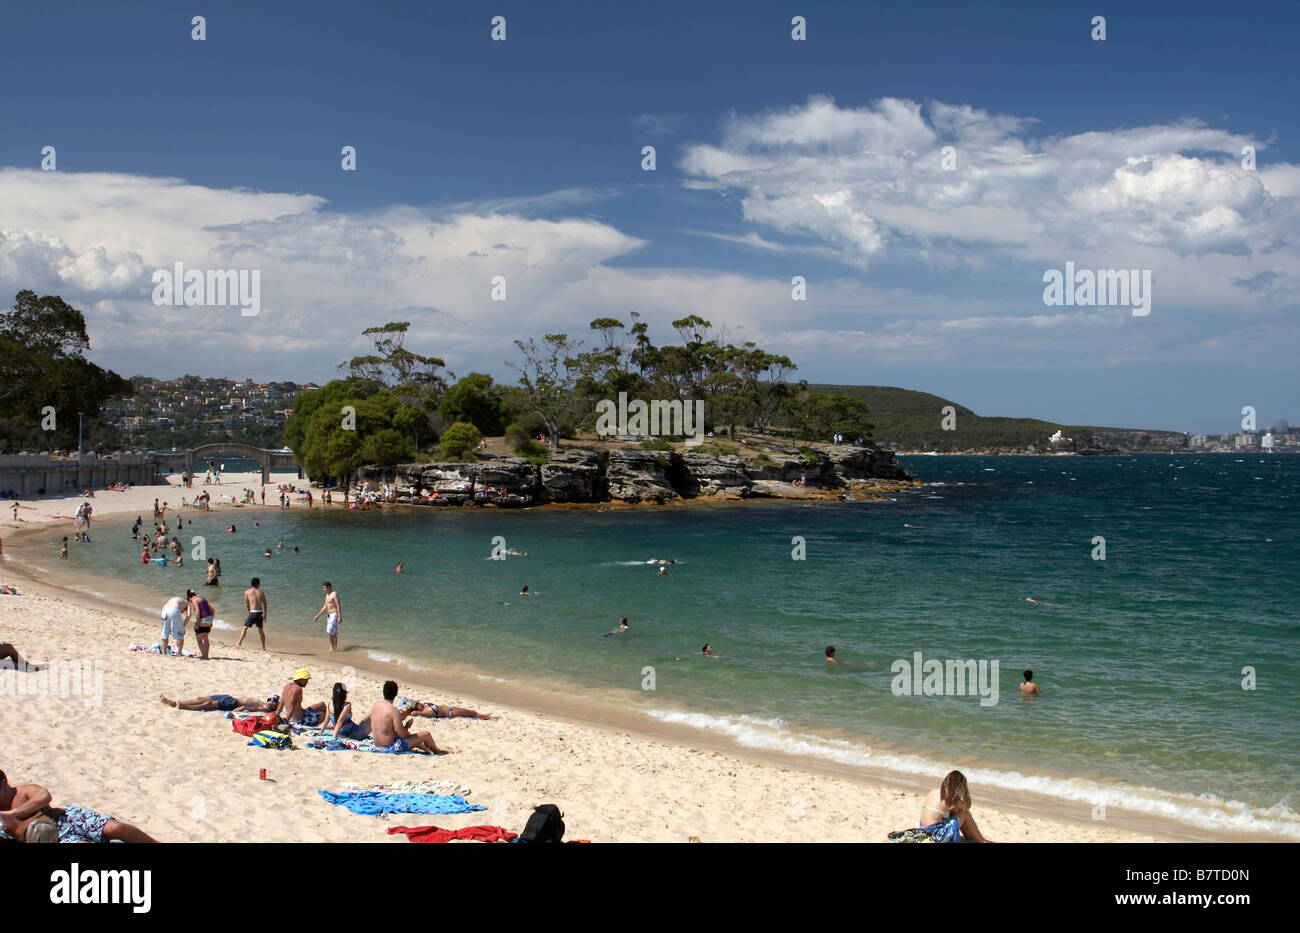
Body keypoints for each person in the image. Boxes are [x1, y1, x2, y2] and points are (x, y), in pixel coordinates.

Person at [0, 769, 157, 843]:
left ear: (4, 783)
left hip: (68, 817)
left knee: (116, 828)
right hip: (55, 838)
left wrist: (13, 813)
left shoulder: (23, 791)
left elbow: (45, 796)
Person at [369, 681, 449, 754]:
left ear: (384, 692)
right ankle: (437, 751)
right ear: (396, 694)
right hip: (389, 747)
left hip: (377, 744)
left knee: (403, 734)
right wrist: (407, 726)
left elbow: (386, 725)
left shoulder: (375, 705)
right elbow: (403, 734)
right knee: (426, 734)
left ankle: (426, 748)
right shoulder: (393, 711)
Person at [918, 770, 992, 843]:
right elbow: (967, 806)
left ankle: (970, 837)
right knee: (964, 813)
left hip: (923, 831)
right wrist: (965, 792)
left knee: (956, 812)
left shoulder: (933, 791)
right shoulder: (948, 797)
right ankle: (981, 840)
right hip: (934, 836)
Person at [398, 696, 492, 720]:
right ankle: (489, 718)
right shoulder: (424, 712)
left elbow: (405, 701)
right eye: (417, 704)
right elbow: (412, 713)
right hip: (451, 712)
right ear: (415, 708)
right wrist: (408, 710)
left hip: (450, 708)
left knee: (472, 712)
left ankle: (485, 716)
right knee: (472, 713)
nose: (420, 703)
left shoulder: (423, 706)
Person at [159, 693, 278, 712]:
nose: (272, 702)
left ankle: (183, 706)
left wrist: (243, 708)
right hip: (230, 698)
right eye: (271, 700)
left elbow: (258, 709)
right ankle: (175, 702)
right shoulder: (263, 702)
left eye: (274, 702)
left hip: (233, 703)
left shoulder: (265, 706)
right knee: (201, 699)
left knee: (208, 704)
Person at [237, 578, 268, 650]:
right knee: (261, 630)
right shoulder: (261, 592)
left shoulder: (247, 592)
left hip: (252, 612)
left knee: (245, 628)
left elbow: (247, 604)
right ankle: (263, 647)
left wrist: (250, 612)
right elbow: (265, 604)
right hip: (259, 613)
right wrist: (265, 615)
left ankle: (239, 643)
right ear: (257, 584)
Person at [313, 581, 342, 651]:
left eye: (324, 588)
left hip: (334, 614)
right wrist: (318, 615)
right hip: (329, 615)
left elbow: (338, 605)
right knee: (334, 632)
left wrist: (339, 617)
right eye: (323, 588)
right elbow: (325, 607)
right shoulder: (327, 595)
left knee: (329, 631)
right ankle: (335, 648)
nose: (323, 589)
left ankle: (332, 647)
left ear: (329, 587)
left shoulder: (334, 594)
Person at [188, 589, 215, 660]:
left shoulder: (194, 600)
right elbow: (213, 610)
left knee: (199, 639)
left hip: (203, 619)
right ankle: (206, 655)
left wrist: (197, 623)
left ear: (189, 598)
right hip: (209, 619)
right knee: (205, 638)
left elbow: (197, 611)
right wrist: (211, 621)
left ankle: (204, 656)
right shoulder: (203, 598)